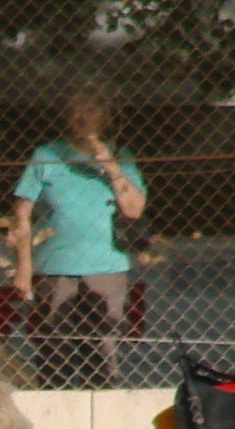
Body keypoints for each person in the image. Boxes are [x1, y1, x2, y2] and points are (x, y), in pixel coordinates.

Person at [11, 89, 147, 389]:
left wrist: (110, 166)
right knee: (53, 354)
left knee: (102, 354)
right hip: (54, 267)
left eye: (91, 109)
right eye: (76, 110)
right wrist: (23, 266)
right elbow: (22, 214)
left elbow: (134, 209)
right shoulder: (46, 155)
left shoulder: (121, 156)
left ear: (105, 116)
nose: (83, 117)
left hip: (106, 267)